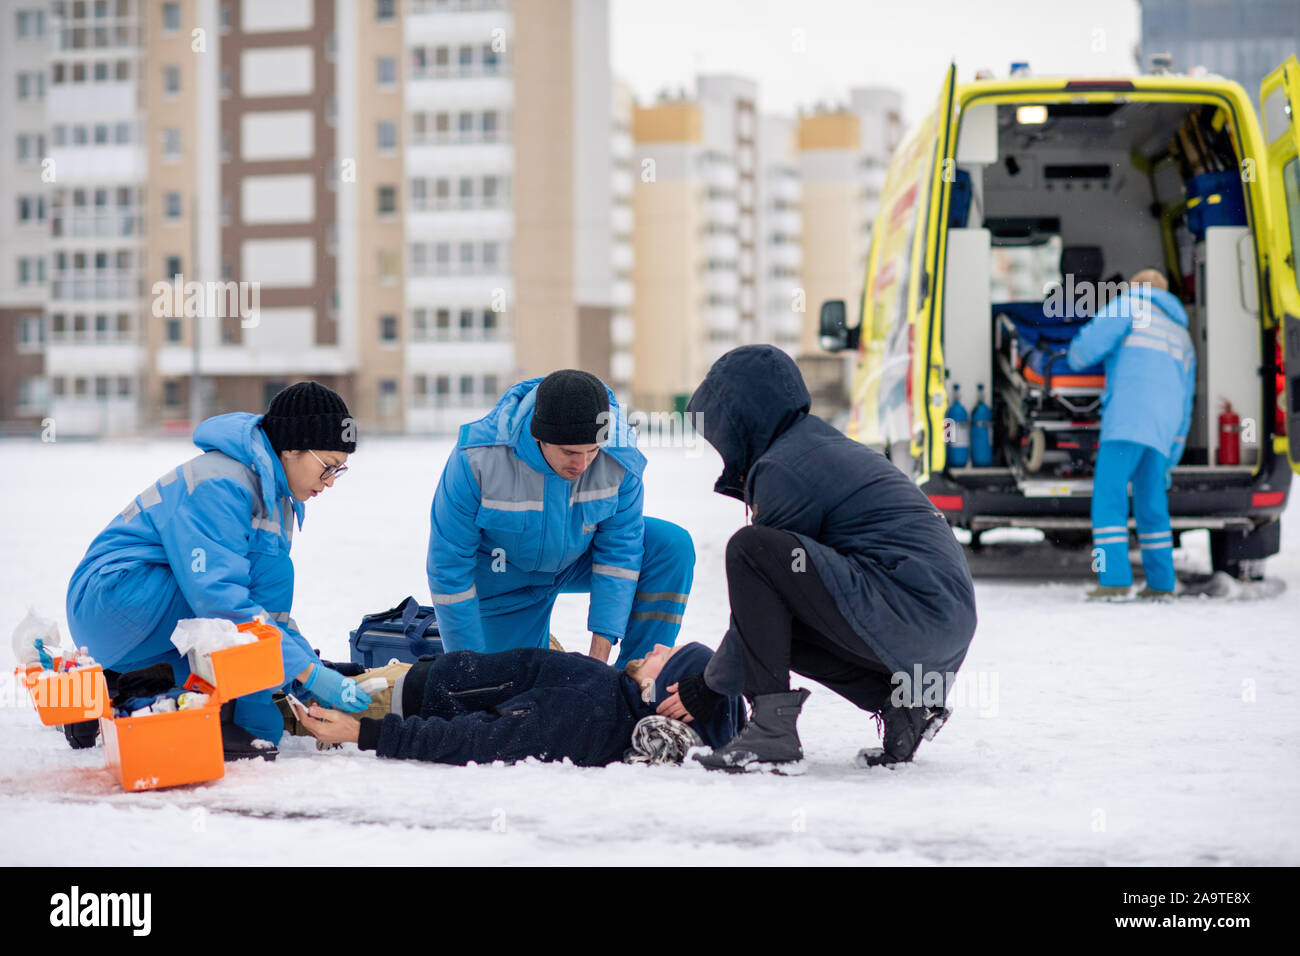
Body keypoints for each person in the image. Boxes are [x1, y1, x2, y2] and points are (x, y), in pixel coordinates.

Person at [654, 345, 978, 773]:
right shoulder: (810, 445)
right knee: (779, 623)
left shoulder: (786, 466)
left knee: (751, 550)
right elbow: (770, 615)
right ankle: (904, 707)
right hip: (938, 620)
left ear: (743, 421)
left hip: (913, 608)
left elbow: (761, 584)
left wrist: (707, 688)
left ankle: (772, 731)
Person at [65, 382, 372, 759]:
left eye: (339, 471)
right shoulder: (222, 483)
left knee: (250, 627)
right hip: (116, 599)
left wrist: (305, 676)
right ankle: (229, 719)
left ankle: (120, 689)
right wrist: (310, 673)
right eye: (327, 467)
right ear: (291, 448)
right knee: (234, 633)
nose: (329, 482)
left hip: (143, 616)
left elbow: (267, 613)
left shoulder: (274, 499)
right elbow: (222, 600)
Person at [427, 370, 694, 667]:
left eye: (592, 451)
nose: (581, 464)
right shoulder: (478, 458)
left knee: (671, 546)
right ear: (538, 436)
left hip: (576, 560)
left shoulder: (620, 455)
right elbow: (449, 566)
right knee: (502, 689)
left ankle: (630, 688)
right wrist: (465, 666)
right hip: (502, 575)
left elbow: (619, 551)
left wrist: (599, 661)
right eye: (569, 452)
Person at [296, 642, 742, 767]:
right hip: (420, 676)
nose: (660, 645)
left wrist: (360, 732)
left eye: (670, 656)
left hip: (398, 700)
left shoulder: (588, 710)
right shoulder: (609, 695)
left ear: (659, 692)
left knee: (273, 698)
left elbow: (478, 740)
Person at [1066, 268, 1195, 601]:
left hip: (1127, 421)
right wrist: (1174, 451)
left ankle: (1113, 580)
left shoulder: (1130, 306)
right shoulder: (1181, 333)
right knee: (1152, 505)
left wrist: (1073, 355)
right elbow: (1187, 397)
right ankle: (1161, 583)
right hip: (1162, 431)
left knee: (1109, 500)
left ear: (1135, 287)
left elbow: (1084, 351)